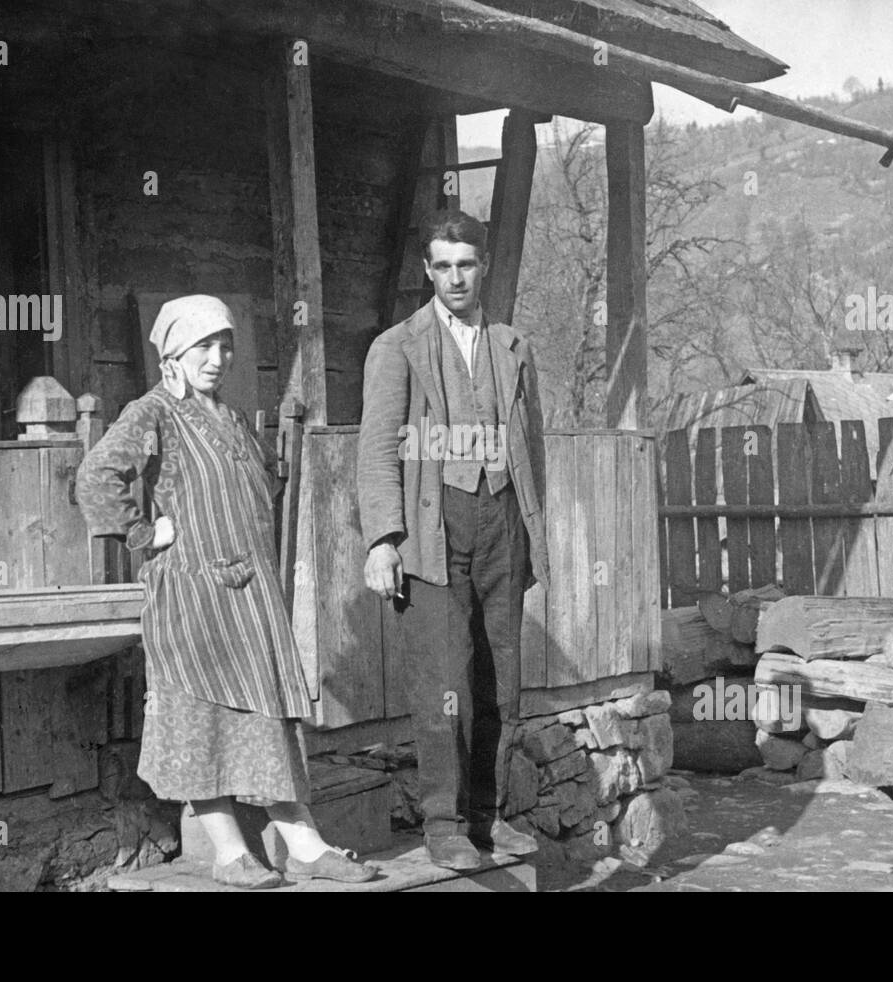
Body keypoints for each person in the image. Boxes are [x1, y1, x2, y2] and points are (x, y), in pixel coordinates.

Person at [77, 294, 374, 888]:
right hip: (191, 597)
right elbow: (96, 474)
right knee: (200, 718)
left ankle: (304, 845)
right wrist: (141, 531)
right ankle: (229, 853)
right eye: (201, 347)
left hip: (248, 596)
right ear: (174, 355)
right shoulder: (152, 412)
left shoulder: (232, 418)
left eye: (224, 345)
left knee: (267, 715)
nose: (216, 358)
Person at [357, 210, 550, 870]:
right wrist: (384, 539)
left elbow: (533, 450)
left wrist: (531, 534)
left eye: (465, 263)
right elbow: (378, 448)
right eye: (442, 265)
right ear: (427, 270)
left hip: (503, 524)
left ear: (483, 265)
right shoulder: (397, 347)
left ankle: (488, 819)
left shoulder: (512, 347)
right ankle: (444, 826)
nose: (455, 277)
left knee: (501, 681)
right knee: (446, 685)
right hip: (435, 527)